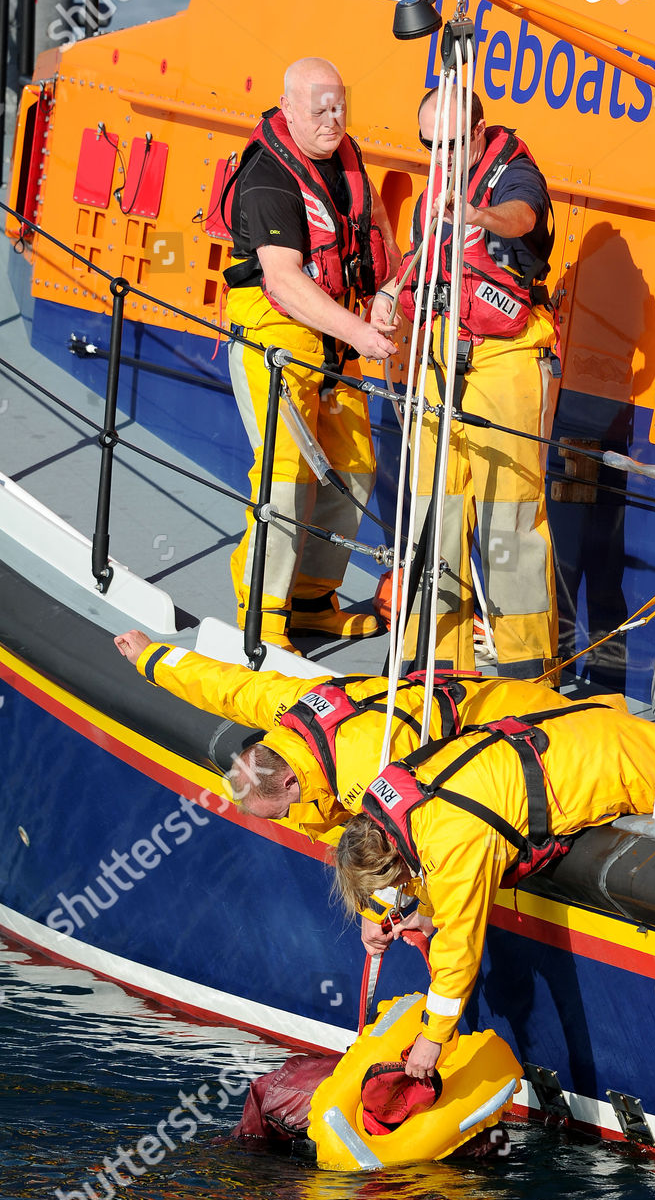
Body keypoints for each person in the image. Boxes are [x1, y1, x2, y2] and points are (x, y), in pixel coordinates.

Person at [333, 701, 655, 1080]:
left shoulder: (451, 842)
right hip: (585, 729)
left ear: (392, 864)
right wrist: (426, 910)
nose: (400, 889)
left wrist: (433, 1039)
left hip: (629, 764)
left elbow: (460, 945)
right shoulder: (393, 799)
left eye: (394, 885)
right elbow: (431, 855)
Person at [370, 88, 558, 681]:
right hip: (438, 359)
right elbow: (423, 259)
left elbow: (522, 218)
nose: (439, 155)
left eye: (450, 144)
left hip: (504, 362)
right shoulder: (433, 193)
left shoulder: (515, 175)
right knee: (436, 516)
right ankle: (433, 664)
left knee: (509, 523)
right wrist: (387, 296)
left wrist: (475, 214)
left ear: (478, 133)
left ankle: (529, 675)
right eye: (429, 144)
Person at [112, 628, 610, 839]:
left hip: (523, 720)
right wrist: (150, 658)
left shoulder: (366, 774)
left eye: (284, 809)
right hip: (474, 700)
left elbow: (406, 840)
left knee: (605, 745)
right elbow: (226, 686)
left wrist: (380, 916)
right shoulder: (291, 712)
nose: (291, 816)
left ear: (288, 782)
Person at [224, 56, 400, 651]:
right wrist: (360, 334)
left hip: (337, 330)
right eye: (320, 107)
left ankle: (312, 600)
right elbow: (285, 282)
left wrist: (385, 290)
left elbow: (373, 222)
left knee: (352, 468)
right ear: (289, 107)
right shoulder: (270, 176)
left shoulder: (346, 158)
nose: (333, 118)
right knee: (284, 474)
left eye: (340, 105)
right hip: (280, 332)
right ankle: (264, 617)